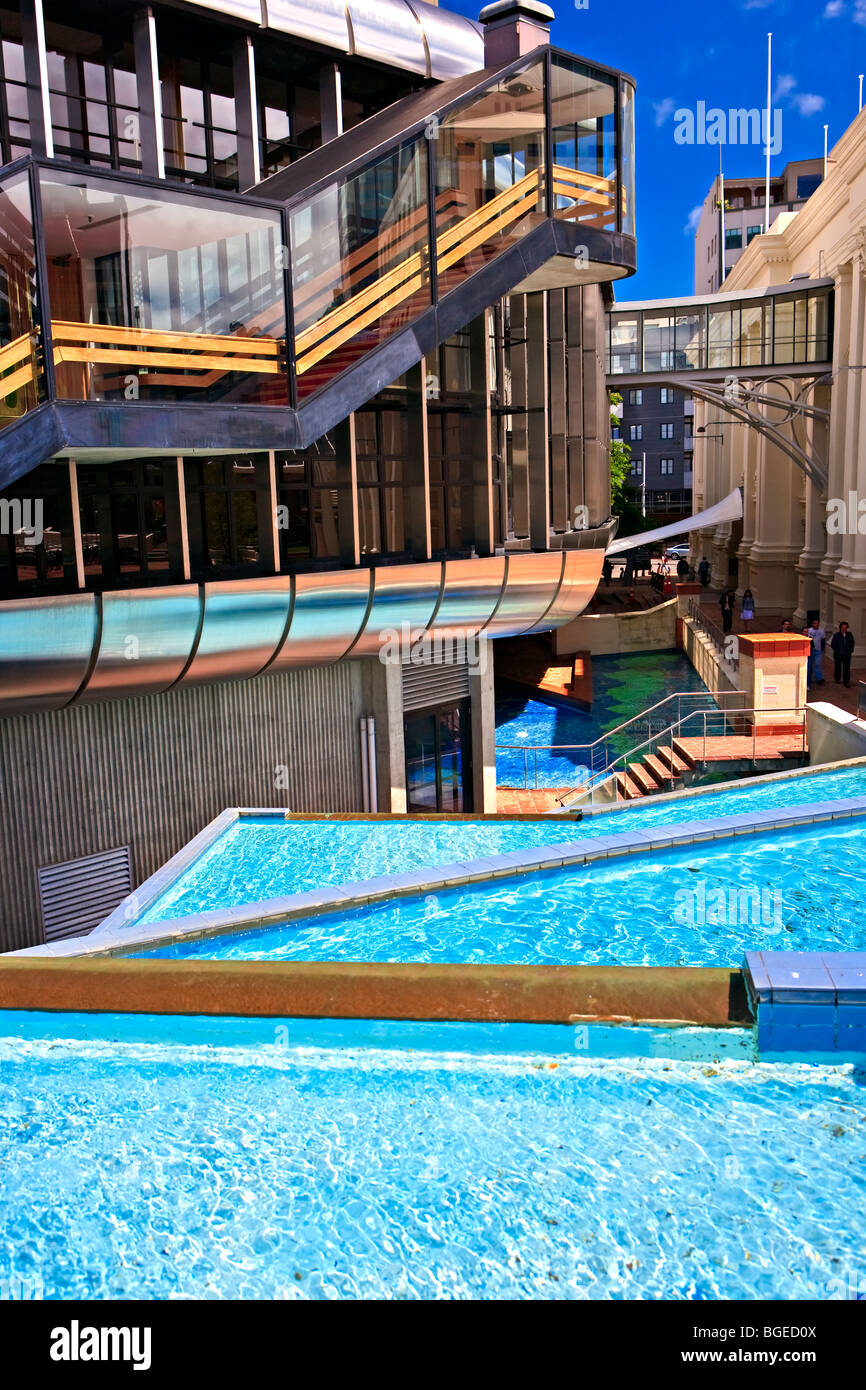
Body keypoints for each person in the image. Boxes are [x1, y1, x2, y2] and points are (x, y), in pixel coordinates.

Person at [831, 621, 855, 687]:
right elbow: (833, 644)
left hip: (847, 654)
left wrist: (850, 651)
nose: (844, 629)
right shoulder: (836, 635)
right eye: (843, 627)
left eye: (845, 627)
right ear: (840, 628)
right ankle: (837, 678)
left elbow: (852, 643)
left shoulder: (849, 634)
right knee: (838, 667)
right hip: (838, 654)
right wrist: (837, 651)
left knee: (846, 668)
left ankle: (846, 681)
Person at [807, 617, 826, 686]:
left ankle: (819, 679)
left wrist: (823, 649)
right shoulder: (809, 630)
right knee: (810, 665)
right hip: (810, 650)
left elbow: (823, 640)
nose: (816, 624)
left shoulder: (821, 631)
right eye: (815, 623)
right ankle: (809, 678)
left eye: (817, 623)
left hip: (818, 650)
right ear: (812, 624)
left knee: (818, 664)